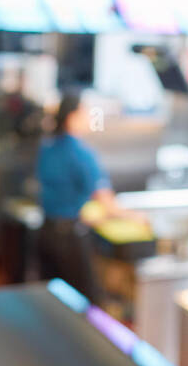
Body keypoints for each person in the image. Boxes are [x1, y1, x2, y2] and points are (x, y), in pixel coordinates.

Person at [34, 92, 130, 301]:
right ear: (72, 117)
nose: (89, 118)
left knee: (53, 299)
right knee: (87, 302)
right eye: (85, 113)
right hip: (70, 239)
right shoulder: (81, 154)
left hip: (44, 233)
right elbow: (106, 202)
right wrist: (135, 217)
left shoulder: (46, 147)